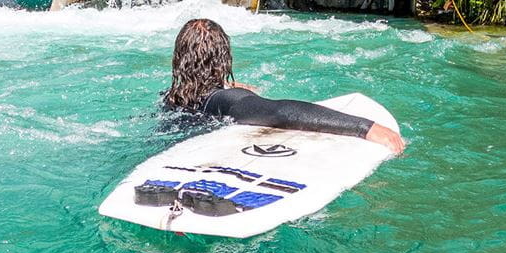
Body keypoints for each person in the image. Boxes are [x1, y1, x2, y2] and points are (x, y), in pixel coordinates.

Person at [163, 18, 405, 155]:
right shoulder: (228, 100)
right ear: (224, 57)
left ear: (179, 57)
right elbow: (280, 112)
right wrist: (365, 127)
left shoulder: (172, 97)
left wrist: (224, 87)